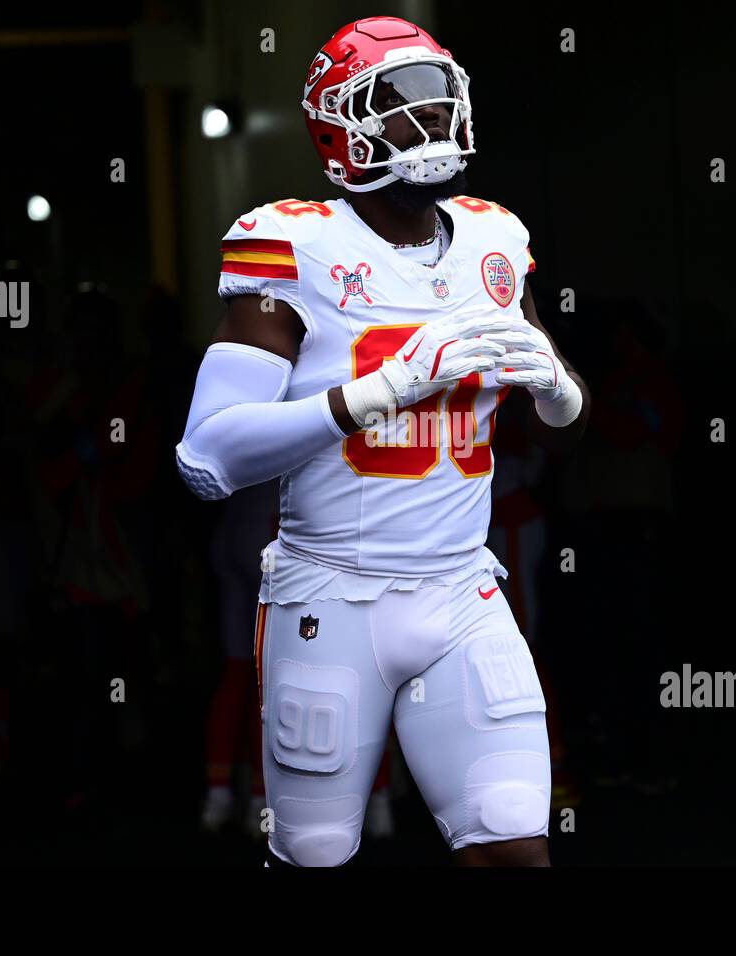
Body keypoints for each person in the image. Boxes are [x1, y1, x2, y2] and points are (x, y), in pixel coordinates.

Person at [176, 16, 588, 867]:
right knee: (317, 855)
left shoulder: (491, 239)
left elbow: (561, 410)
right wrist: (377, 391)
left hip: (462, 589)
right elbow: (208, 455)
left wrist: (554, 386)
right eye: (398, 103)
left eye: (439, 97)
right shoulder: (295, 245)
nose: (431, 119)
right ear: (342, 124)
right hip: (331, 593)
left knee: (514, 843)